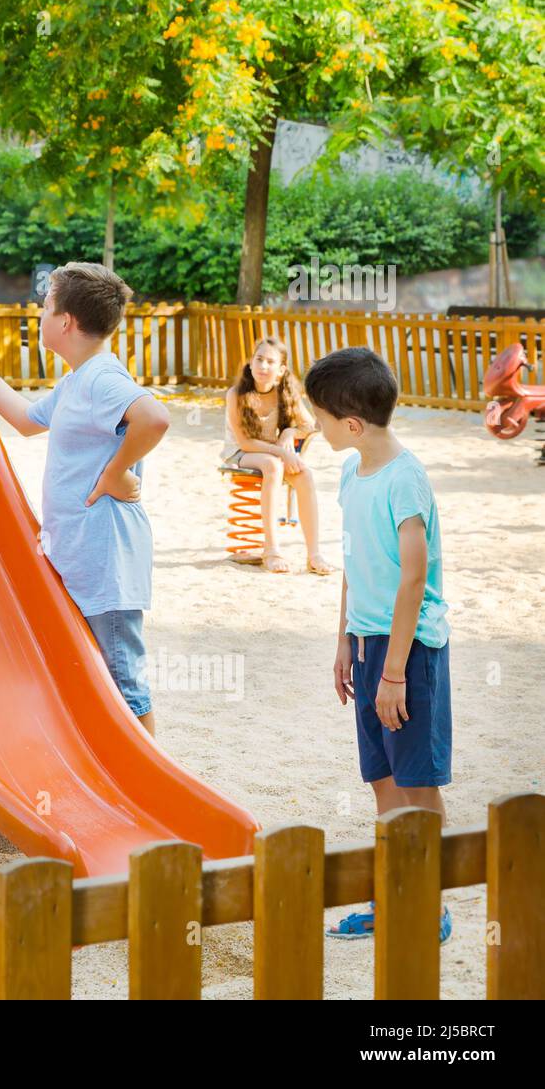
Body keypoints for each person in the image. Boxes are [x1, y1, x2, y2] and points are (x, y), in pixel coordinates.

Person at [0, 263, 171, 835]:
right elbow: (26, 420)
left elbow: (153, 416)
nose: (39, 313)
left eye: (46, 307)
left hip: (105, 561)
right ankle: (39, 798)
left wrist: (117, 473)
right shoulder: (78, 381)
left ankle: (154, 800)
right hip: (73, 556)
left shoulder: (101, 379)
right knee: (58, 677)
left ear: (66, 321)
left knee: (124, 682)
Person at [303, 347, 452, 944]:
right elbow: (353, 562)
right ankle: (393, 896)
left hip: (407, 653)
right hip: (367, 647)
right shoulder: (349, 471)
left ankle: (430, 905)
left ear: (353, 425)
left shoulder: (404, 478)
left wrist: (392, 672)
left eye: (320, 416)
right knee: (384, 779)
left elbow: (413, 577)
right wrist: (345, 641)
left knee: (418, 781)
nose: (316, 424)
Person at [223, 336, 332, 575]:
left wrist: (289, 433)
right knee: (273, 465)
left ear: (281, 370)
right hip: (240, 452)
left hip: (273, 451)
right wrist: (282, 451)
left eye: (270, 362)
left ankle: (314, 554)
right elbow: (244, 442)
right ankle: (272, 550)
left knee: (304, 474)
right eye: (258, 359)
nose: (263, 366)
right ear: (250, 363)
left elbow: (311, 426)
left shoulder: (285, 391)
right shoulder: (236, 394)